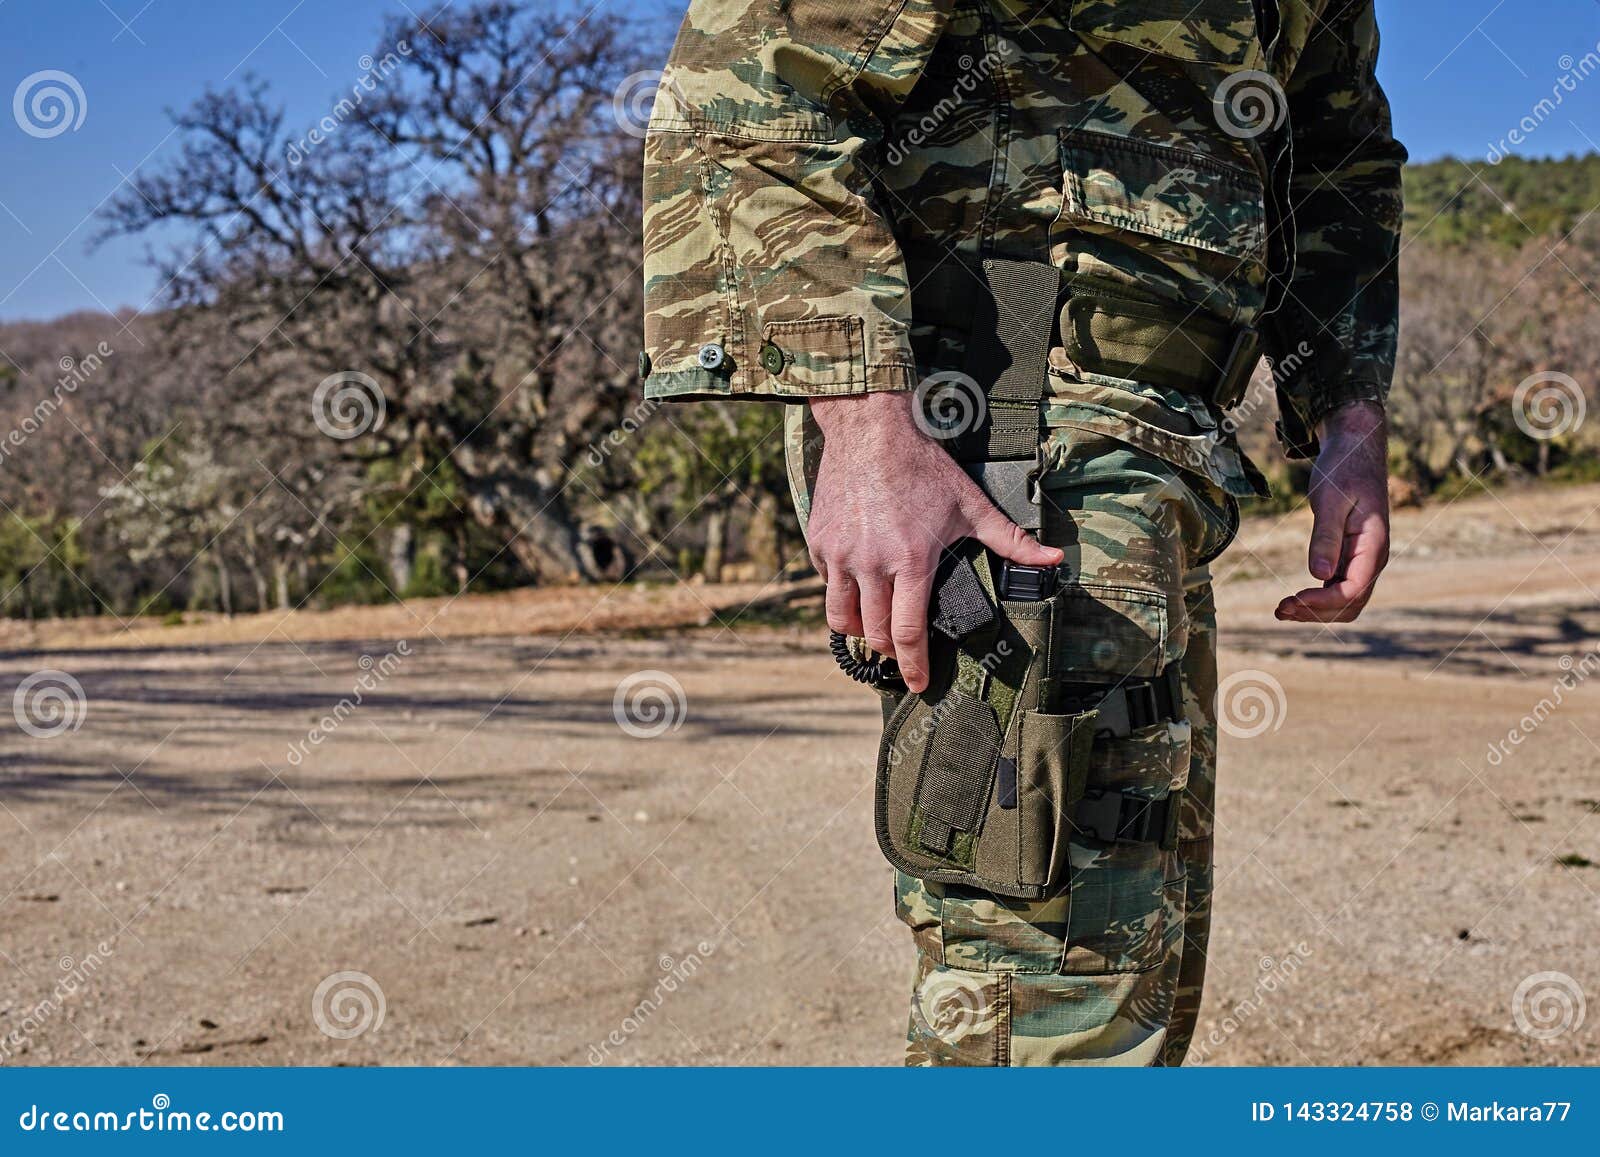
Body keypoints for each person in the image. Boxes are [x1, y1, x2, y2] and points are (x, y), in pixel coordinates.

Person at [639, 0, 1402, 1065]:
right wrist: (863, 420)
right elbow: (756, 80)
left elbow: (1337, 152)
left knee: (1133, 954)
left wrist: (1347, 410)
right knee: (1050, 988)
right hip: (998, 420)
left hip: (1166, 445)